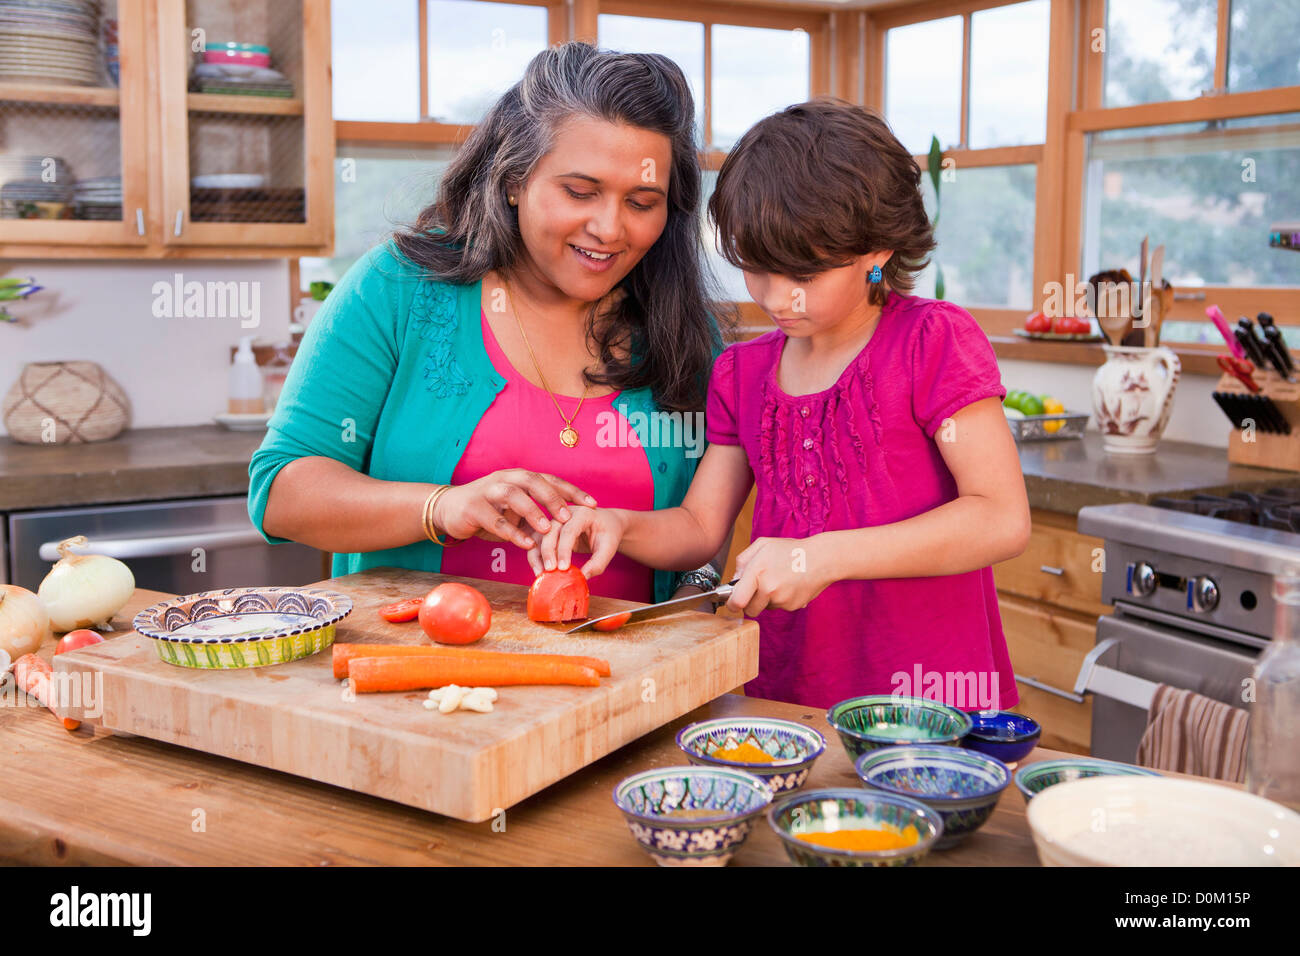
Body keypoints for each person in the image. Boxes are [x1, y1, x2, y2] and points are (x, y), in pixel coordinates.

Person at [529, 99, 1030, 710]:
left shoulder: (934, 342)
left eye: (804, 275)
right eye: (756, 269)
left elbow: (1000, 517)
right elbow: (697, 529)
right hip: (791, 693)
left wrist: (823, 557)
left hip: (930, 701)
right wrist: (618, 524)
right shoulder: (744, 371)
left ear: (877, 251)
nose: (776, 297)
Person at [249, 42, 732, 605]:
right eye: (580, 191)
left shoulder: (682, 327)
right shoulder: (400, 287)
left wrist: (698, 585)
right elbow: (280, 493)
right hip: (419, 677)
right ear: (512, 180)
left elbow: (702, 526)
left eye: (642, 202)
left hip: (629, 682)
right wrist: (440, 507)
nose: (609, 228)